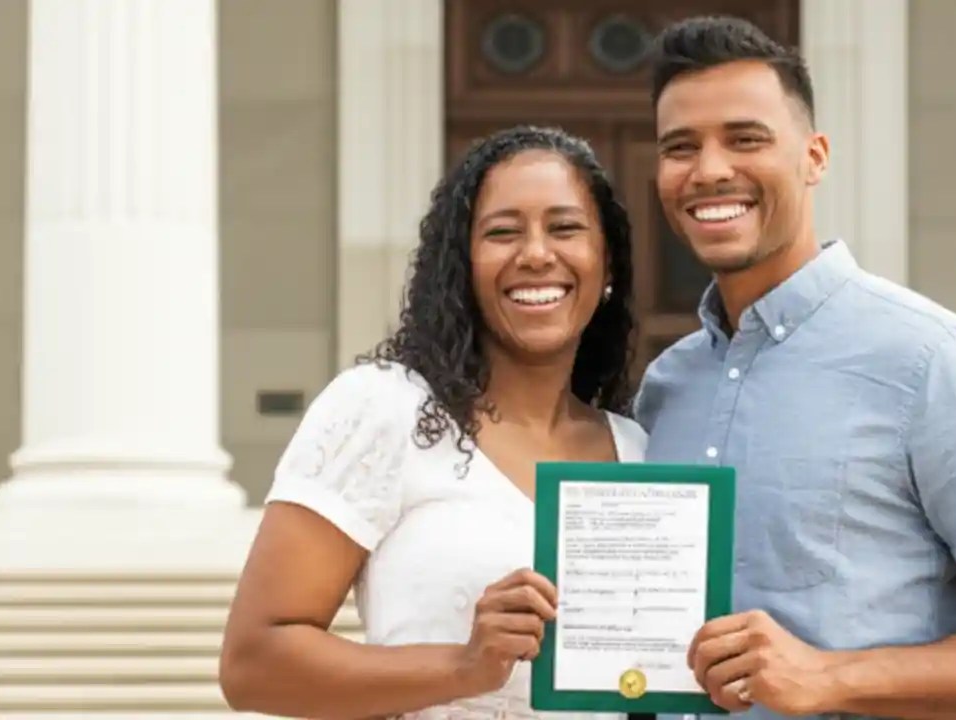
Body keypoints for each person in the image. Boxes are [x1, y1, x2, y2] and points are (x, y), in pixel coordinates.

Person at [633, 16, 956, 720]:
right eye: (682, 147)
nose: (709, 170)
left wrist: (830, 677)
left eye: (746, 139)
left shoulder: (935, 364)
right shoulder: (665, 389)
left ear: (815, 157)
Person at [219, 125, 643, 720]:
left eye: (566, 227)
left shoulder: (640, 452)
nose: (537, 253)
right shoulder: (385, 408)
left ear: (608, 268)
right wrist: (464, 666)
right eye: (502, 232)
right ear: (462, 267)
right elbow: (253, 666)